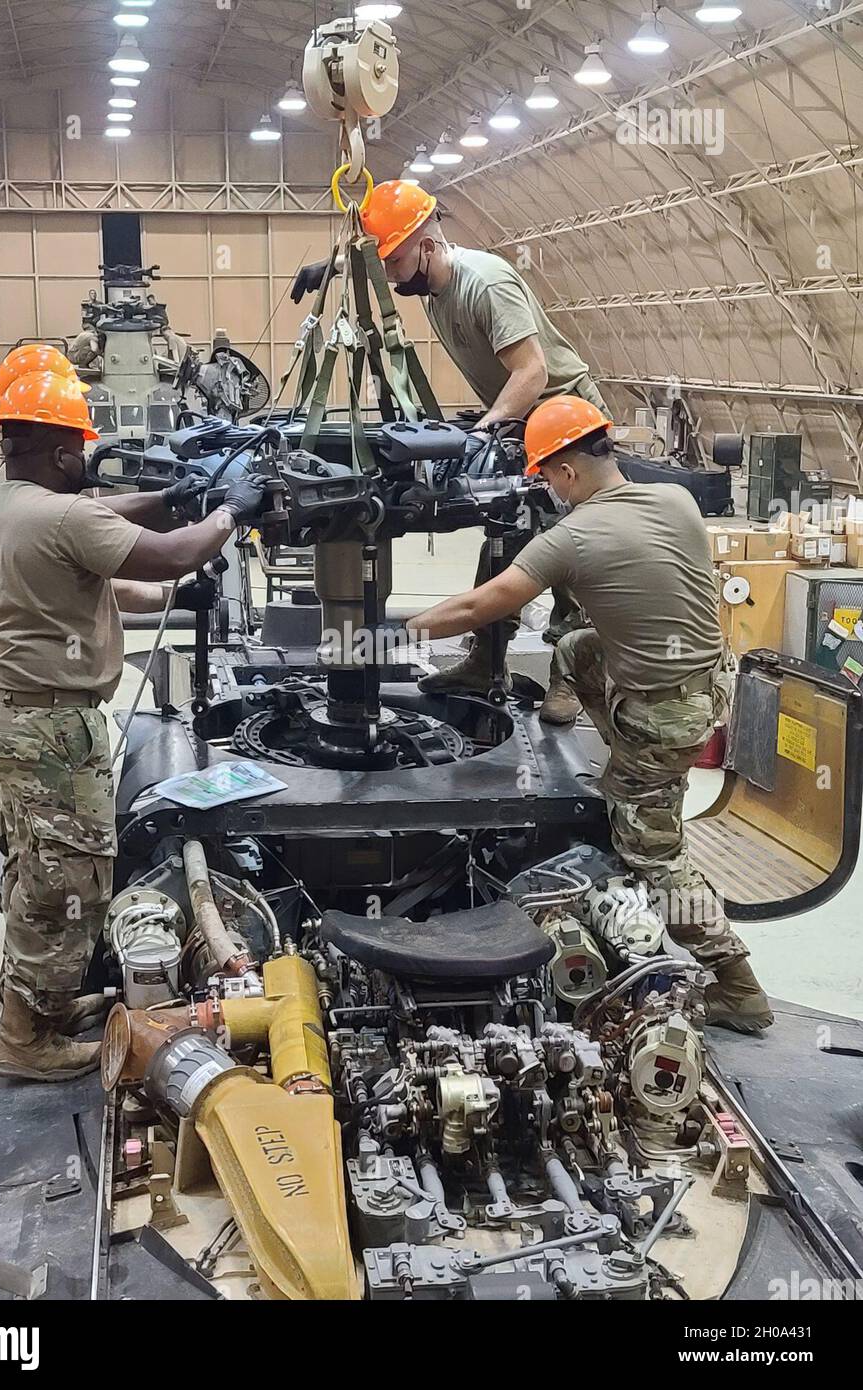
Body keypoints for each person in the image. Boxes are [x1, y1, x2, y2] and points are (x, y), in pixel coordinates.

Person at [405, 395, 773, 1035]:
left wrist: (396, 633)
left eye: (545, 476)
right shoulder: (677, 501)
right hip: (710, 681)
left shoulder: (570, 538)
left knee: (653, 853)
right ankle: (595, 737)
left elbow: (478, 608)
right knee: (576, 648)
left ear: (567, 472)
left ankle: (738, 986)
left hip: (666, 717)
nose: (546, 490)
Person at [0, 363, 268, 1082]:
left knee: (33, 873)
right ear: (65, 451)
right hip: (48, 730)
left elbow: (107, 521)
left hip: (13, 718)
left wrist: (170, 494)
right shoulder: (61, 515)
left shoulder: (7, 503)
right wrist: (228, 513)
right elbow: (173, 556)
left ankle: (38, 1007)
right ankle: (24, 1045)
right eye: (81, 450)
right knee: (68, 886)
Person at [293, 180, 603, 708]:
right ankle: (485, 663)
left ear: (429, 247)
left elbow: (532, 372)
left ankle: (569, 679)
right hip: (524, 427)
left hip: (568, 428)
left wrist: (483, 429)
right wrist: (337, 269)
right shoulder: (433, 282)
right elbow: (377, 253)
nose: (389, 277)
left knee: (570, 553)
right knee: (507, 543)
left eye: (393, 263)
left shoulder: (485, 284)